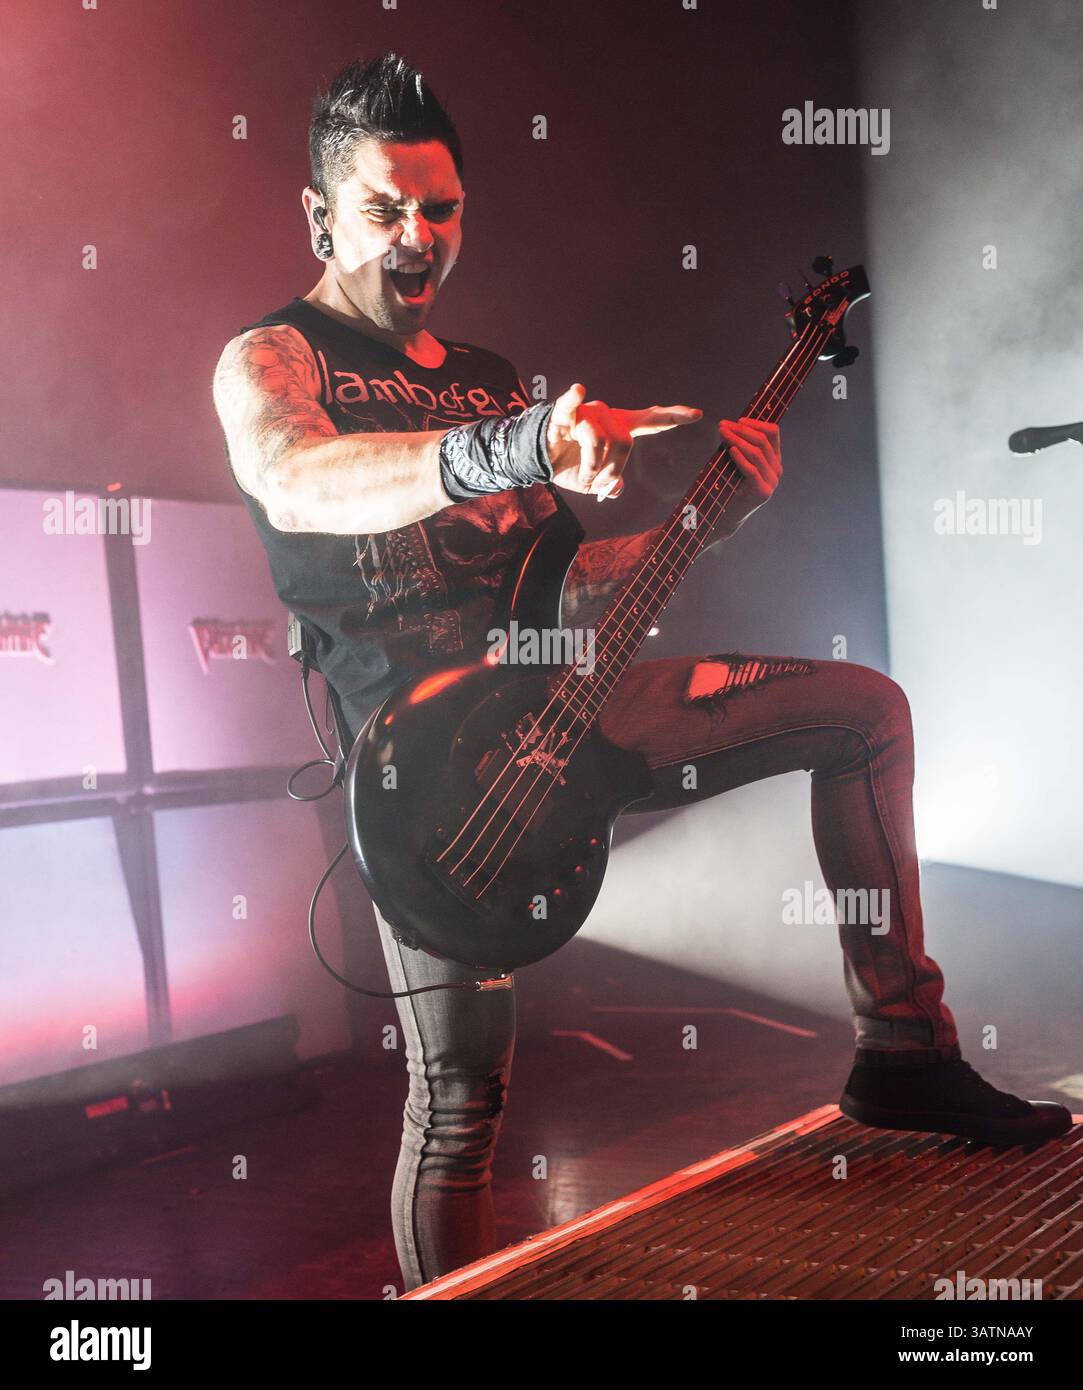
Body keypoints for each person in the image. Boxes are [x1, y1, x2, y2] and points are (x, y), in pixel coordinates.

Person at [211, 54, 1072, 1294]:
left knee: (866, 713)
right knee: (459, 1101)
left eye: (442, 208)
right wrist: (515, 445)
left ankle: (902, 1045)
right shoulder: (274, 358)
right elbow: (297, 481)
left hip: (564, 701)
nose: (418, 236)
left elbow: (563, 587)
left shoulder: (488, 373)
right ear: (318, 214)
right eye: (385, 207)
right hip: (430, 776)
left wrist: (705, 522)